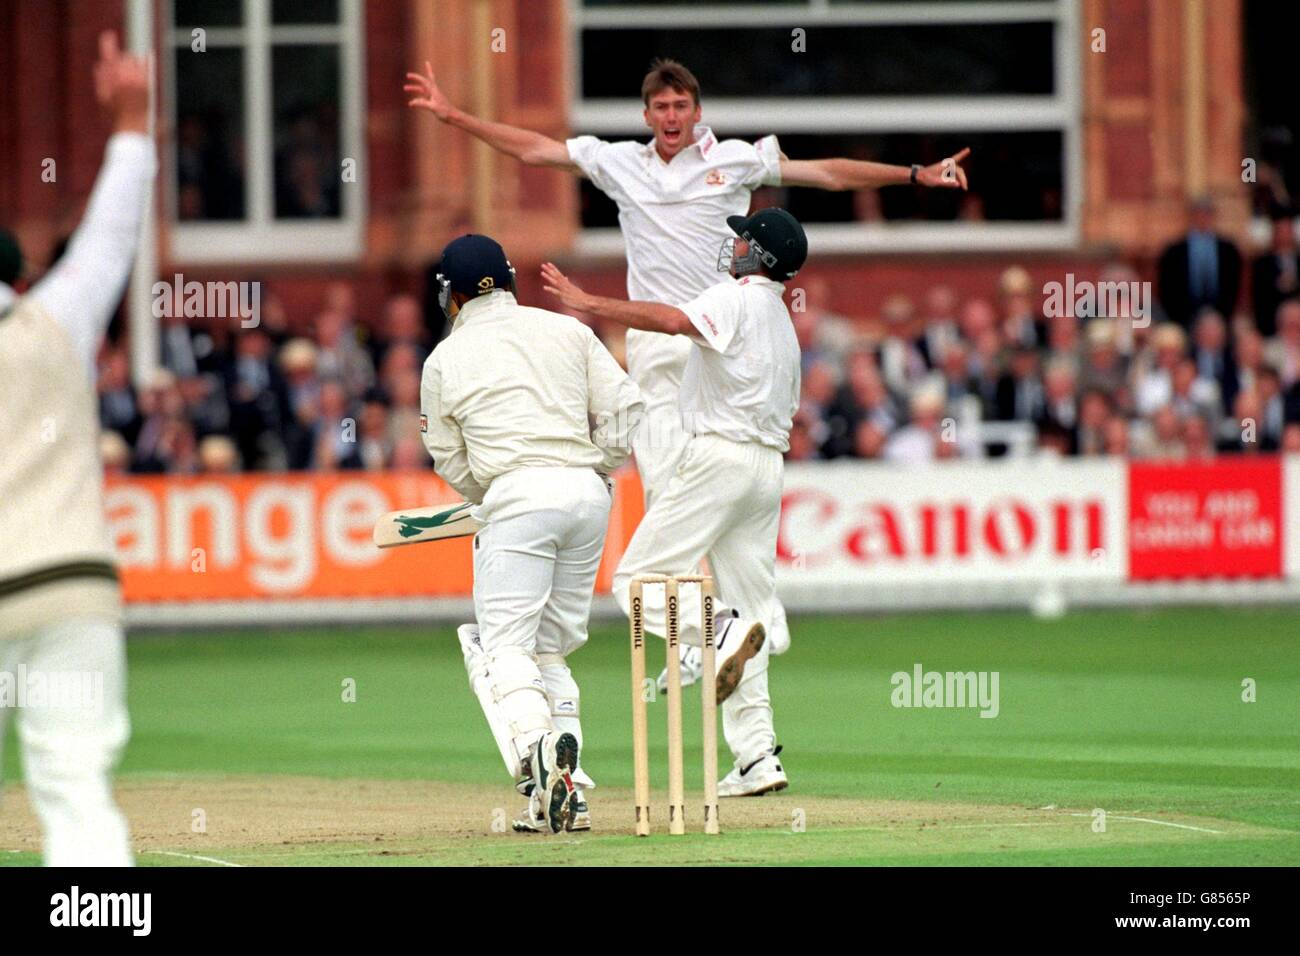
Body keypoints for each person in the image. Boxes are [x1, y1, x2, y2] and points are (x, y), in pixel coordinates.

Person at [406, 57, 970, 796]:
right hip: (659, 352)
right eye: (660, 106)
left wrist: (913, 176)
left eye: (682, 105)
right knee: (716, 562)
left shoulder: (734, 162)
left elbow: (825, 174)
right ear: (647, 114)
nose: (671, 117)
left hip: (704, 337)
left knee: (669, 560)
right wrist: (455, 118)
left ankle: (714, 641)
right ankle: (752, 735)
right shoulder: (618, 164)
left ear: (696, 111)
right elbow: (534, 149)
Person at [542, 207, 806, 797]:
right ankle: (757, 754)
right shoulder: (783, 324)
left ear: (758, 256)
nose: (733, 244)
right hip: (768, 470)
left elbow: (668, 320)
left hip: (721, 459)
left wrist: (589, 302)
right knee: (752, 604)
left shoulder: (736, 298)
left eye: (742, 239)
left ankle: (715, 631)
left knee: (634, 580)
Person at [420, 234, 642, 833]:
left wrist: (485, 495)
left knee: (505, 649)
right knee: (550, 649)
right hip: (585, 495)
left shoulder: (443, 359)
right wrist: (600, 466)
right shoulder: (566, 330)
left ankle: (538, 752)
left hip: (517, 495)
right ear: (511, 281)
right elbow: (626, 404)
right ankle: (563, 794)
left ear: (454, 295)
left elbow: (447, 456)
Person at [0, 31, 154, 866]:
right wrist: (132, 118)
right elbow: (110, 235)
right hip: (72, 587)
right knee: (75, 794)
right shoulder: (54, 320)